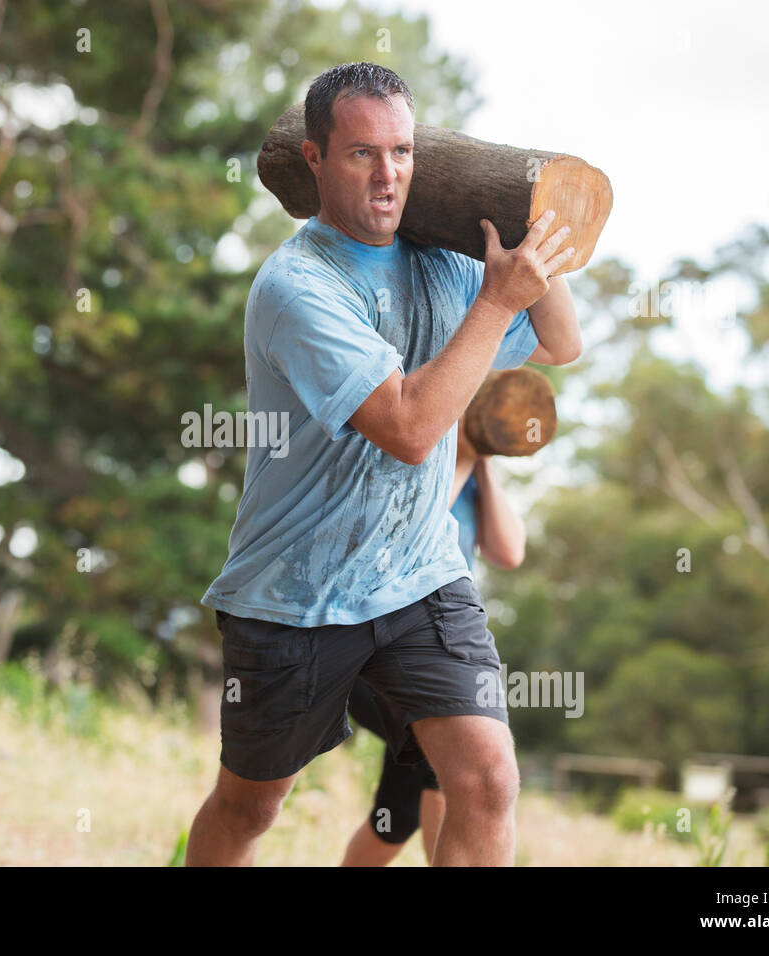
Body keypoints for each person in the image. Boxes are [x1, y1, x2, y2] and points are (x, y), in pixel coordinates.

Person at [187, 62, 581, 866]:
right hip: (292, 595)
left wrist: (536, 226)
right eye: (362, 153)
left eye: (402, 152)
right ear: (315, 160)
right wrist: (499, 300)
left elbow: (561, 344)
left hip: (418, 576)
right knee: (250, 806)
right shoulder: (297, 286)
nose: (387, 174)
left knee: (486, 780)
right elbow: (408, 427)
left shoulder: (441, 262)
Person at [342, 416, 527, 865]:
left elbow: (509, 552)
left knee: (396, 815)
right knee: (450, 766)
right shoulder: (417, 456)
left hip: (435, 649)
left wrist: (483, 463)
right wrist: (461, 453)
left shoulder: (474, 475)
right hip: (372, 643)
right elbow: (410, 530)